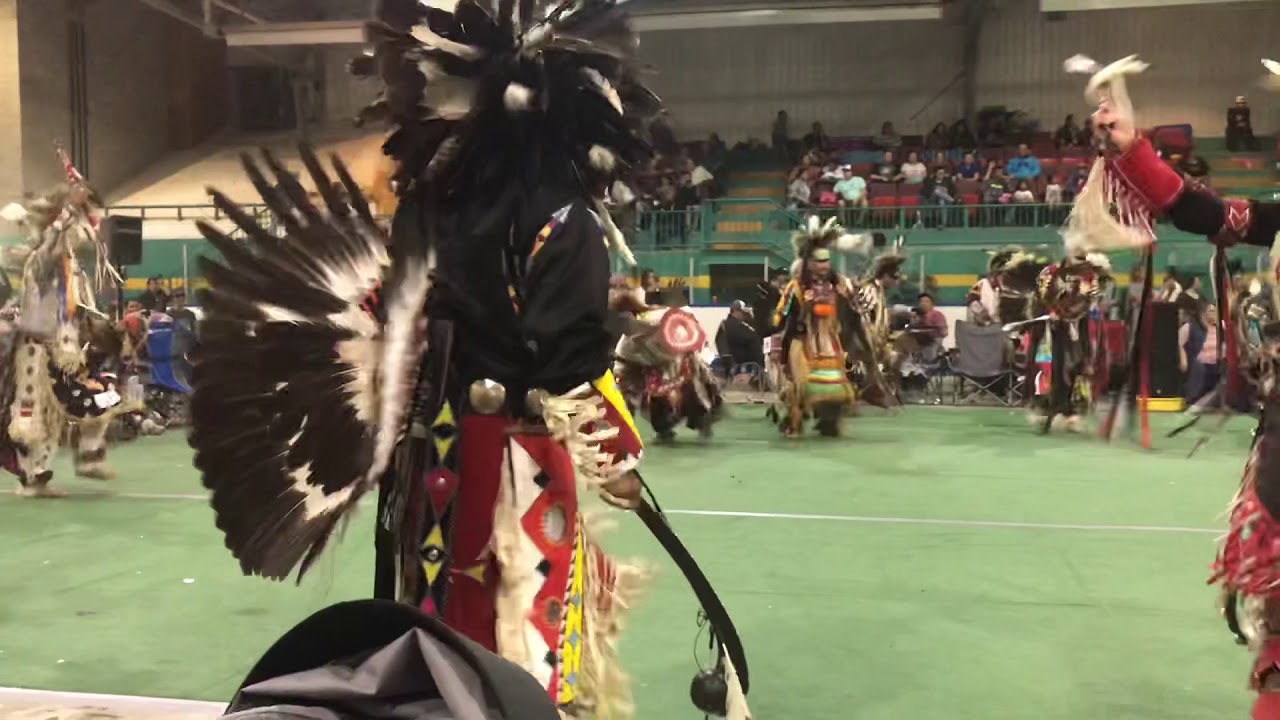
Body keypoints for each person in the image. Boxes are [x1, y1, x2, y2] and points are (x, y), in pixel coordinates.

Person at [185, 3, 751, 719]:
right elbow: (566, 364)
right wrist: (620, 457)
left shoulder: (431, 207)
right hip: (516, 467)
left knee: (440, 621)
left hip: (433, 463)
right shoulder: (561, 217)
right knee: (520, 630)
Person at [0, 150, 135, 497]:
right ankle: (33, 479)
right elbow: (49, 249)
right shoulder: (42, 261)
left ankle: (89, 458)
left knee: (105, 394)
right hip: (35, 353)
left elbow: (76, 309)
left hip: (67, 354)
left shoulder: (70, 268)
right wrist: (67, 212)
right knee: (31, 419)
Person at [772, 218, 876, 436]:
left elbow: (853, 311)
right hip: (803, 340)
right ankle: (794, 420)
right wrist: (800, 317)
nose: (823, 266)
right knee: (801, 385)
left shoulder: (839, 284)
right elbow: (781, 318)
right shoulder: (796, 287)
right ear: (808, 263)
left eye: (826, 261)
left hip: (830, 341)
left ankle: (830, 420)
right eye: (818, 262)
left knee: (834, 385)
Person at [1178, 301, 1220, 404]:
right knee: (1199, 367)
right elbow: (1179, 343)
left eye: (1215, 311)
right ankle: (1192, 398)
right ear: (1203, 313)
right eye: (1211, 311)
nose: (1213, 314)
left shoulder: (1220, 328)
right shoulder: (1190, 327)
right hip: (1199, 361)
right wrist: (1183, 359)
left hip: (1216, 362)